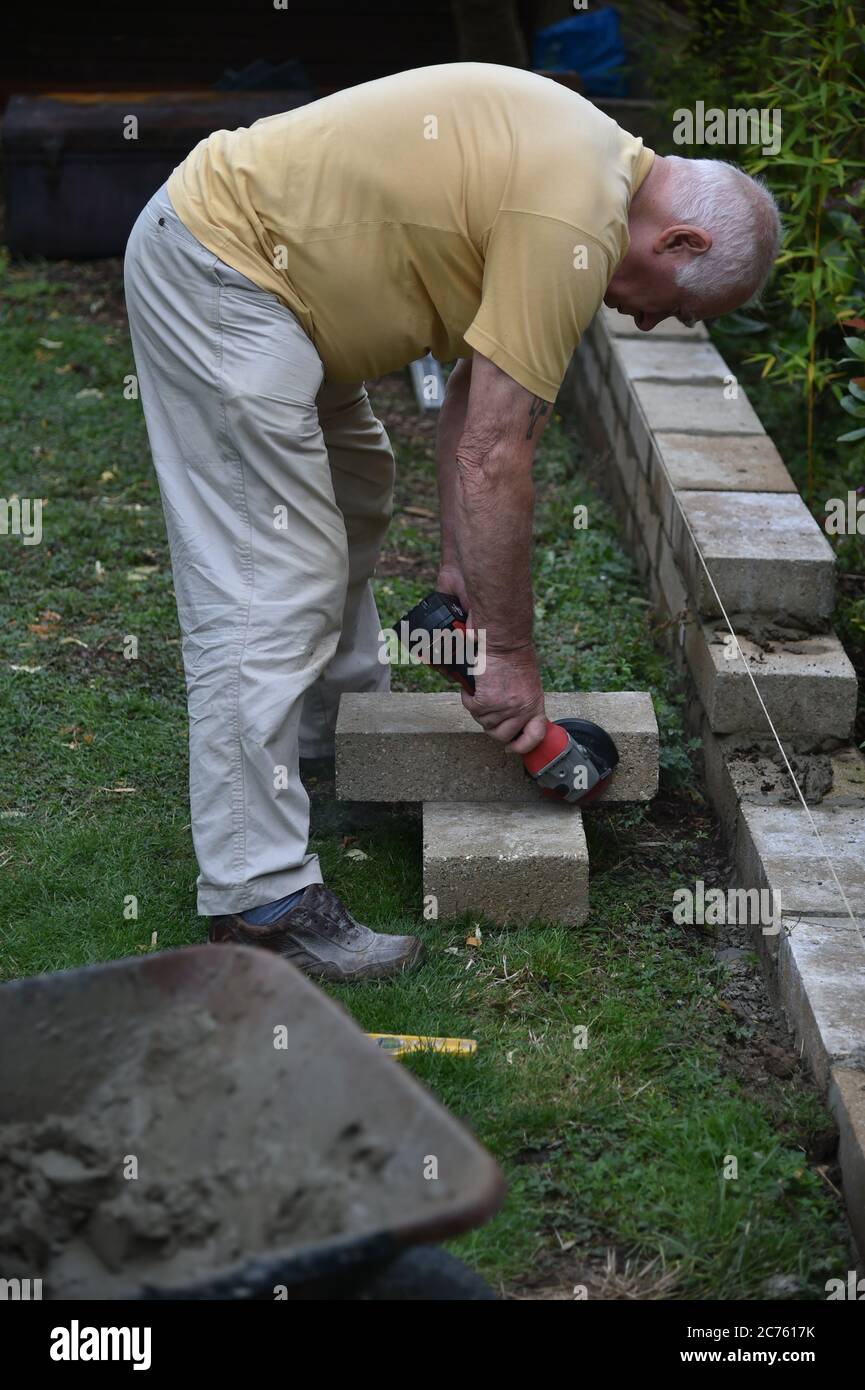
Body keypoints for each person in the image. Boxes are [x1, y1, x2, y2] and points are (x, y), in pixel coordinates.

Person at [123, 63, 780, 981]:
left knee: (356, 488)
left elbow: (476, 395)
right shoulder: (571, 221)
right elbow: (494, 454)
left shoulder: (587, 173)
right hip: (225, 270)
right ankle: (257, 895)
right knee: (268, 582)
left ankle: (327, 743)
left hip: (273, 285)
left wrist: (460, 576)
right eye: (674, 308)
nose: (651, 324)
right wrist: (507, 658)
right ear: (676, 239)